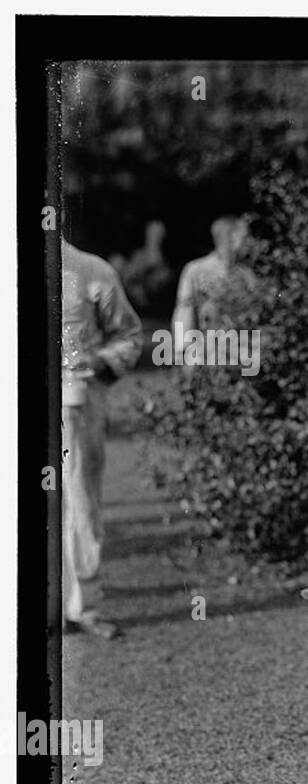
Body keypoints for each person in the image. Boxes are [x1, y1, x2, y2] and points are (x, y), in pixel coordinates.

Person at [61, 236, 143, 638]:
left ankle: (84, 607)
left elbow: (129, 335)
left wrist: (98, 361)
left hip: (78, 405)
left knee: (81, 503)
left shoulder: (94, 272)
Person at [172, 215, 256, 347]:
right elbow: (184, 313)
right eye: (245, 237)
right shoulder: (196, 271)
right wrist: (183, 350)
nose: (250, 242)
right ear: (231, 238)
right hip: (205, 352)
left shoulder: (247, 275)